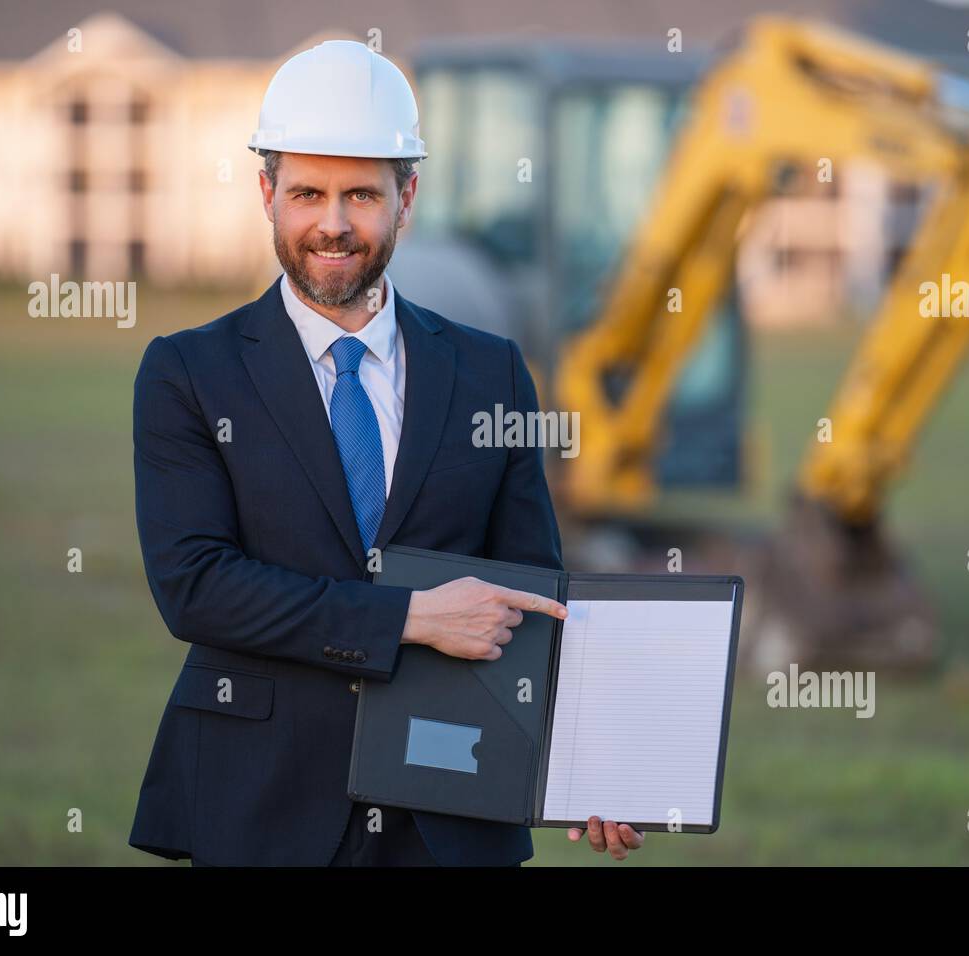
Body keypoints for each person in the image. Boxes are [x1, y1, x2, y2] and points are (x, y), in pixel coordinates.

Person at [127, 40, 643, 866]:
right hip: (261, 806)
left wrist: (587, 768)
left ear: (408, 197)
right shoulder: (189, 374)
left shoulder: (492, 372)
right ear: (267, 194)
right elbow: (197, 588)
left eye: (361, 194)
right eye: (307, 193)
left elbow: (530, 592)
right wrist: (408, 618)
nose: (332, 224)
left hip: (450, 811)